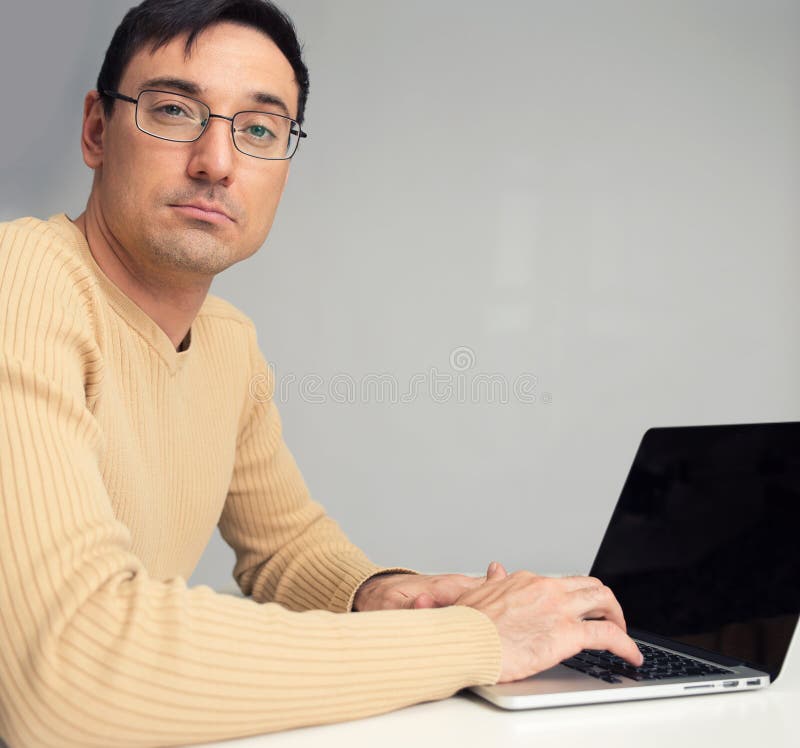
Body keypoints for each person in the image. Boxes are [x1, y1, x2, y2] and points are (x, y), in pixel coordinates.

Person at [0, 1, 642, 745]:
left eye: (260, 129)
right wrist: (479, 640)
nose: (217, 161)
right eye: (175, 111)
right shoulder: (21, 281)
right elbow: (73, 670)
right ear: (96, 131)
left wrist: (388, 594)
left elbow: (287, 548)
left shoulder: (228, 343)